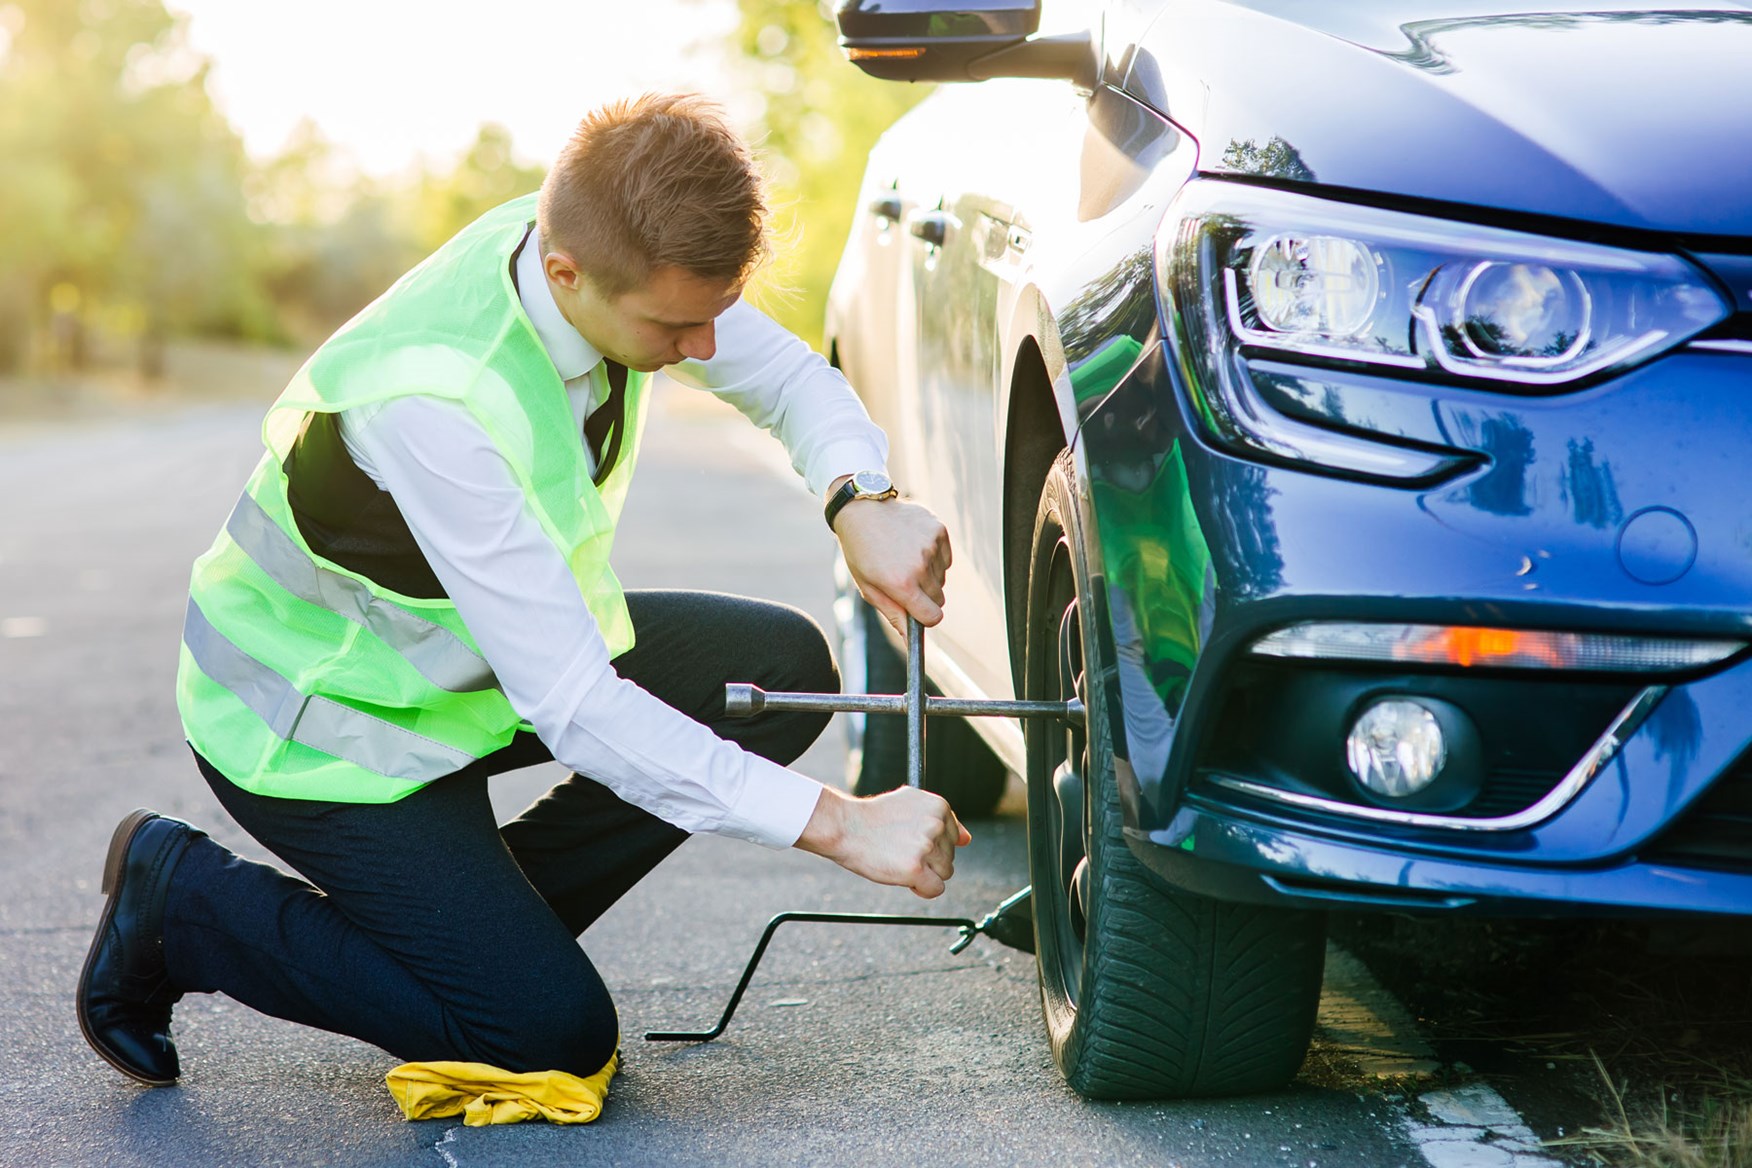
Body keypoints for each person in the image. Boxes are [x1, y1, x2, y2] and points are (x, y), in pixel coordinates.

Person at [76, 92, 967, 1089]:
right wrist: (842, 824)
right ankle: (184, 901)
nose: (706, 348)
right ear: (565, 275)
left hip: (469, 677)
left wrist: (861, 500)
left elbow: (791, 380)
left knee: (782, 670)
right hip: (326, 730)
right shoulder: (436, 403)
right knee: (550, 1038)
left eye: (714, 314)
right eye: (680, 325)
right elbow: (580, 708)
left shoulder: (604, 243)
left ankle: (482, 937)